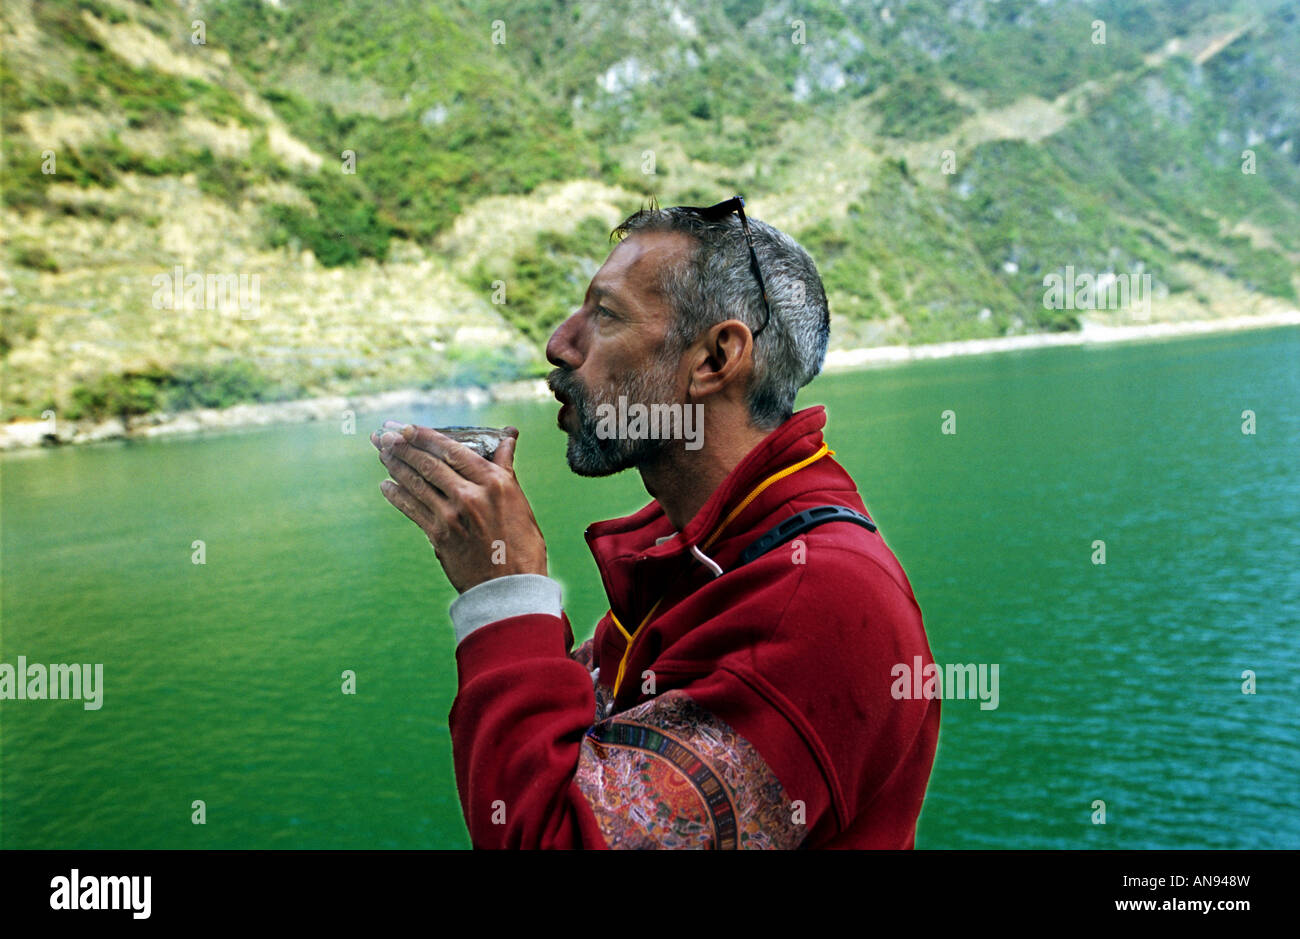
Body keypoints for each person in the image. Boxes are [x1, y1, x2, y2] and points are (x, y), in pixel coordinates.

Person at [372, 198, 940, 848]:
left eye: (605, 314)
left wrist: (505, 595)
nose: (559, 343)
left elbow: (550, 834)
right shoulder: (702, 556)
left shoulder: (819, 601)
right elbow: (566, 760)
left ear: (715, 358)